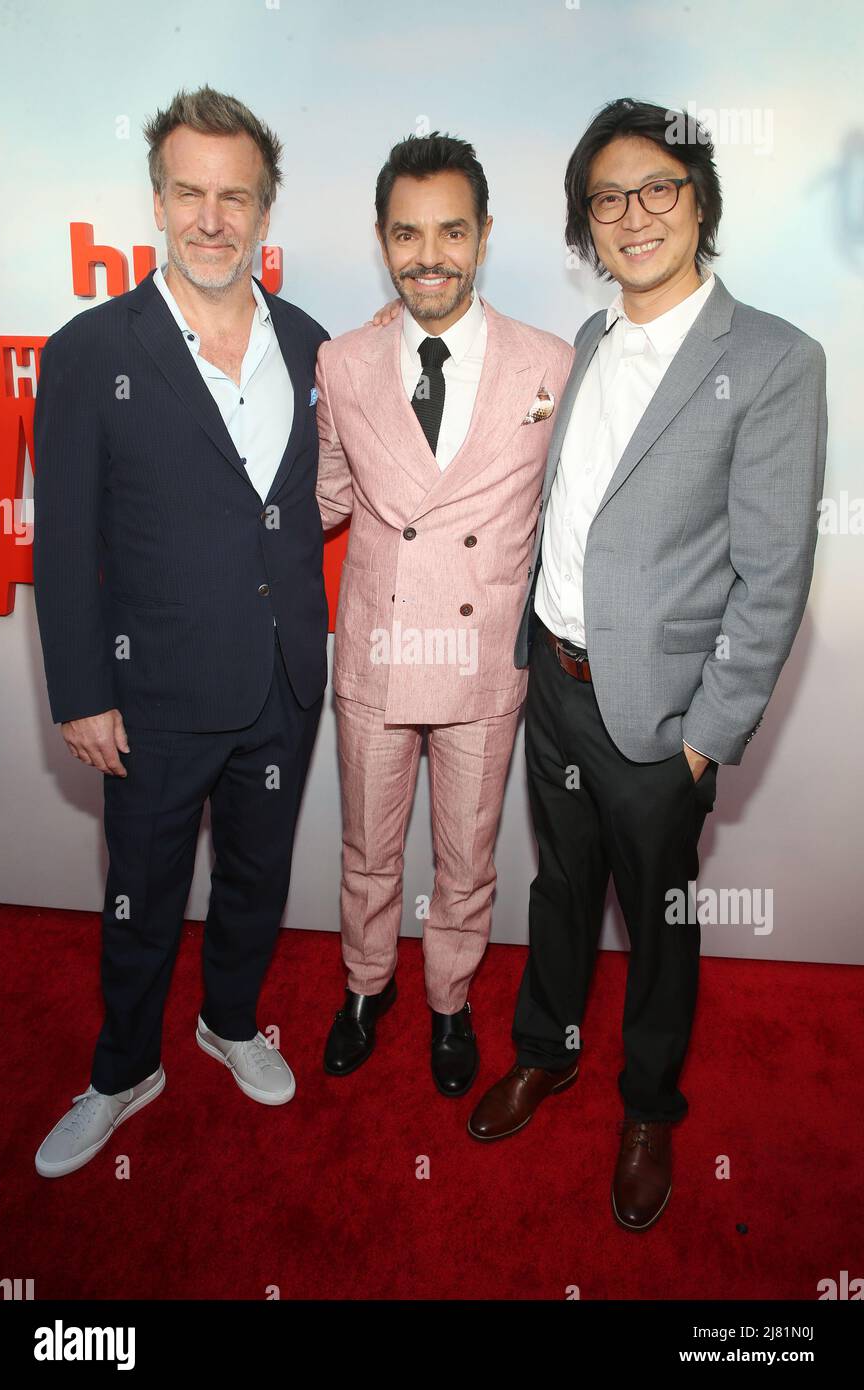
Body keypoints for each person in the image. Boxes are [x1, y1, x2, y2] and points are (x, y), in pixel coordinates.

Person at [467, 98, 828, 1231]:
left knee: (659, 916)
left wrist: (704, 734)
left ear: (701, 200)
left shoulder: (772, 359)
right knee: (560, 887)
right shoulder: (585, 343)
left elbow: (773, 575)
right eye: (607, 198)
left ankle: (648, 1104)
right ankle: (548, 1050)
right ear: (586, 226)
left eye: (657, 188)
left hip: (659, 719)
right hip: (556, 687)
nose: (633, 216)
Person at [32, 86, 329, 1177]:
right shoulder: (87, 350)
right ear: (157, 200)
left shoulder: (310, 345)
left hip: (285, 677)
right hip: (147, 689)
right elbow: (62, 543)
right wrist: (78, 688)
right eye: (191, 193)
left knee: (257, 878)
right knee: (141, 893)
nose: (213, 218)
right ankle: (123, 1070)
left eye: (235, 197)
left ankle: (230, 1023)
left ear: (263, 209)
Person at [315, 133, 573, 1096]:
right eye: (408, 233)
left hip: (480, 664)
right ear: (383, 239)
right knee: (369, 849)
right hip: (379, 655)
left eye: (452, 231)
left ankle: (450, 1002)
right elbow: (328, 496)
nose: (430, 254)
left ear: (486, 236)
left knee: (465, 861)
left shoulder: (550, 364)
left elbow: (574, 504)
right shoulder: (342, 364)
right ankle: (364, 987)